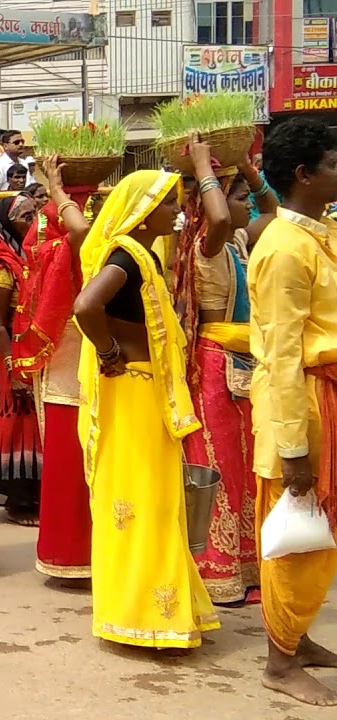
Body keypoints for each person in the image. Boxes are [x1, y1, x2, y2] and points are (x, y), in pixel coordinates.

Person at [73, 157, 219, 650]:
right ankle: (147, 618)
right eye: (168, 205)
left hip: (141, 389)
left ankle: (155, 610)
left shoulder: (142, 256)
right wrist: (108, 352)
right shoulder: (127, 257)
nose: (177, 213)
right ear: (143, 212)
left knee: (152, 502)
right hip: (133, 389)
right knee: (144, 502)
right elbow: (85, 306)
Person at [249, 117, 337, 706]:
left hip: (323, 397)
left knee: (319, 531)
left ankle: (297, 640)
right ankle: (279, 664)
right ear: (303, 174)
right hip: (300, 404)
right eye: (332, 164)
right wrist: (295, 449)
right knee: (299, 533)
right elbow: (281, 355)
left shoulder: (318, 233)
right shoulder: (284, 249)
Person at [171, 156, 275, 607]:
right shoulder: (206, 244)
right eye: (240, 198)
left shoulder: (237, 241)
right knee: (223, 469)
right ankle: (219, 573)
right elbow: (215, 215)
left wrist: (249, 171)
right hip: (216, 367)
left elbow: (273, 212)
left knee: (247, 472)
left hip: (245, 363)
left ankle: (247, 570)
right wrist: (204, 168)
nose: (248, 205)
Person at [12, 157, 92, 582]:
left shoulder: (90, 229)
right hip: (66, 355)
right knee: (70, 458)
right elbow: (79, 236)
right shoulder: (56, 235)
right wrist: (59, 194)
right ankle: (71, 554)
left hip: (90, 349)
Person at [0, 194, 42, 526]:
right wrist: (13, 369)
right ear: (8, 224)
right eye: (26, 216)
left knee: (34, 422)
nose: (34, 221)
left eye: (35, 214)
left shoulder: (27, 256)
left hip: (31, 351)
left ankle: (36, 493)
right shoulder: (3, 267)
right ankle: (17, 499)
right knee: (17, 419)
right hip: (10, 354)